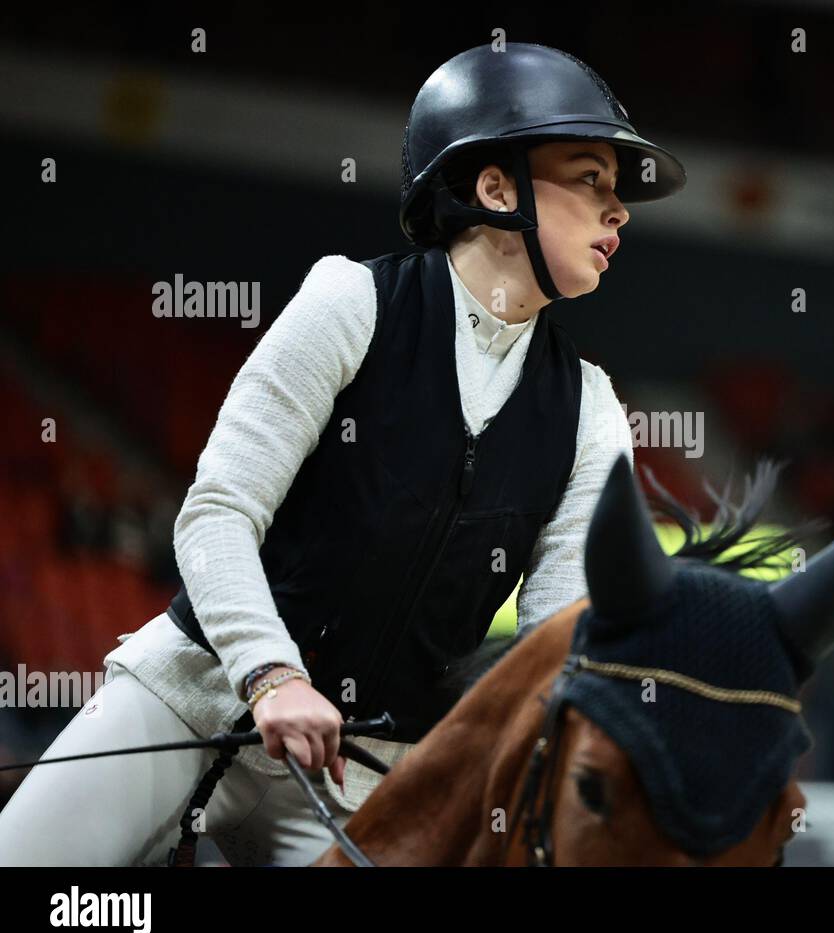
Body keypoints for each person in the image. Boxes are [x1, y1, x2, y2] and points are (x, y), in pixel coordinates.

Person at [0, 42, 685, 865]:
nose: (621, 211)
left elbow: (555, 645)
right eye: (590, 179)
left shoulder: (593, 410)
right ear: (494, 187)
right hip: (196, 699)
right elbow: (217, 514)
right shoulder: (347, 303)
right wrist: (271, 677)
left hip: (366, 771)